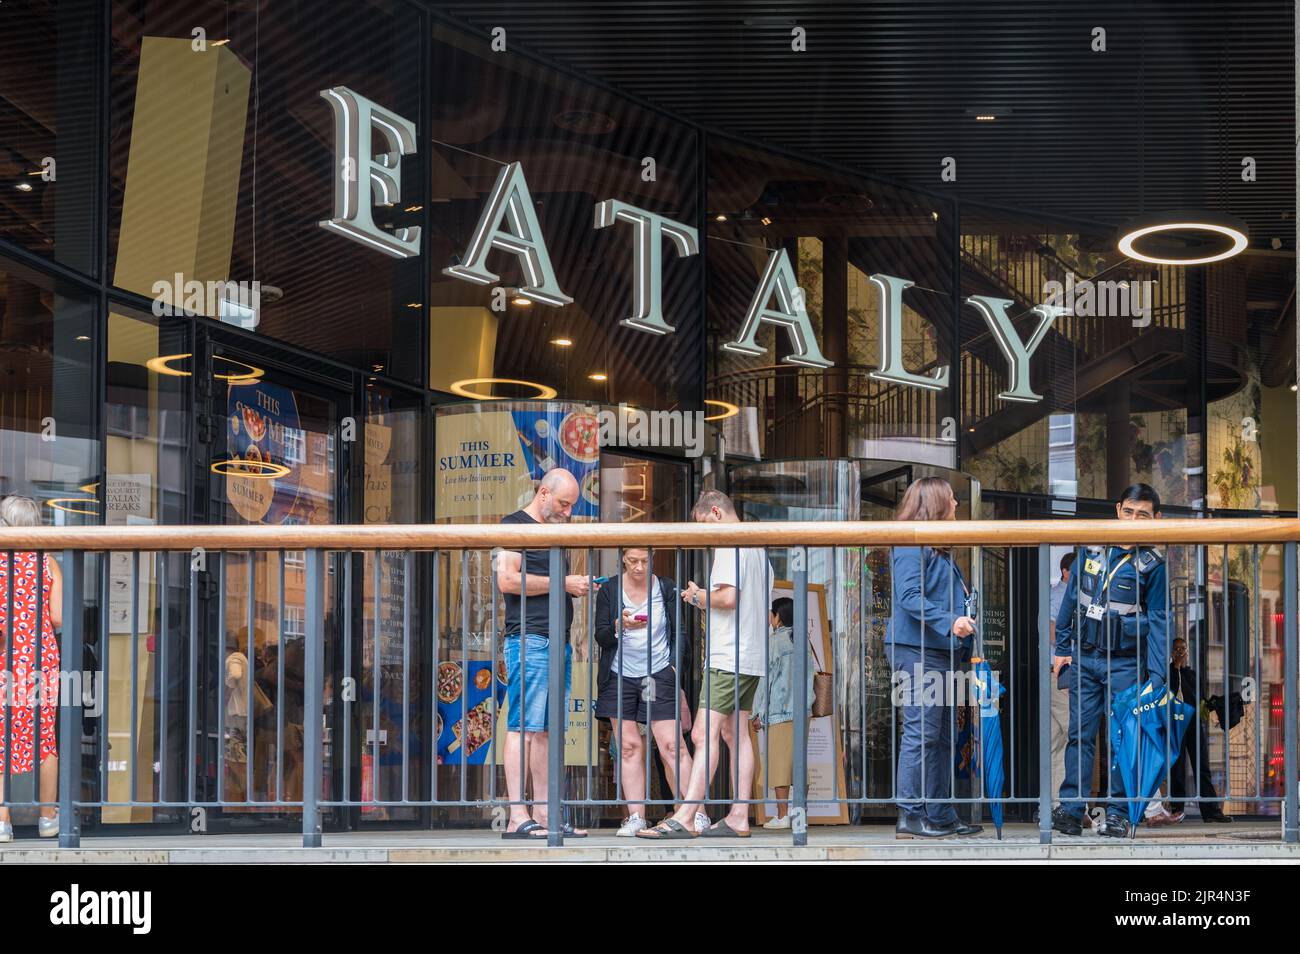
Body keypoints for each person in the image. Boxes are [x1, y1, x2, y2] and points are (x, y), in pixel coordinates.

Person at [638, 489, 772, 839]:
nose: (704, 536)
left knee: (702, 733)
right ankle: (739, 815)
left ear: (715, 513)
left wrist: (697, 596)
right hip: (752, 655)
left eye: (702, 526)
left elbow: (728, 598)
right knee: (735, 734)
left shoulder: (729, 543)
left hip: (729, 655)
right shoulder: (759, 549)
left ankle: (685, 815)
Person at [1052, 483, 1169, 838]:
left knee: (1122, 740)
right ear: (1119, 509)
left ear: (1156, 519)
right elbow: (1070, 603)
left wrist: (1158, 674)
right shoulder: (1091, 548)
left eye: (1143, 514)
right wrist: (1061, 650)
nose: (1134, 519)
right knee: (1079, 736)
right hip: (1085, 658)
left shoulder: (1153, 565)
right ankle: (1072, 810)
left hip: (1126, 664)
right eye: (1129, 511)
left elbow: (1161, 619)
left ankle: (1117, 813)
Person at [495, 469, 594, 839]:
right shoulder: (512, 524)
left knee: (548, 732)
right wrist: (564, 584)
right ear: (543, 493)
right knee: (523, 726)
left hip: (557, 641)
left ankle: (546, 815)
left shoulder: (554, 530)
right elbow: (506, 580)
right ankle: (518, 817)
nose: (568, 513)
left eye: (571, 506)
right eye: (564, 504)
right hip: (529, 639)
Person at [888, 477, 983, 839]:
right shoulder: (911, 543)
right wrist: (951, 621)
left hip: (939, 652)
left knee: (941, 737)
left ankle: (939, 812)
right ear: (937, 504)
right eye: (953, 499)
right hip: (917, 651)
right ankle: (910, 815)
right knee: (921, 734)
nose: (957, 504)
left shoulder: (937, 549)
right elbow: (909, 597)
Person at [593, 546, 694, 836]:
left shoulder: (666, 587)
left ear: (652, 557)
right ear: (623, 559)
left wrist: (674, 668)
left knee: (672, 745)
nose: (639, 567)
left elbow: (679, 632)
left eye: (644, 560)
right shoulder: (611, 589)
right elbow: (600, 635)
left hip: (655, 674)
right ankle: (636, 816)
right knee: (628, 747)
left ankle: (693, 811)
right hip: (619, 675)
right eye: (633, 561)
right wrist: (617, 626)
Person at [0, 495, 63, 841]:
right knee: (44, 738)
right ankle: (48, 819)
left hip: (3, 657)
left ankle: (2, 821)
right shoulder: (48, 563)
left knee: (0, 737)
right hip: (39, 660)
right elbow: (57, 618)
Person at [751, 597, 814, 829]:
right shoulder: (802, 641)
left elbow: (766, 681)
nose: (770, 618)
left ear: (778, 617)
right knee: (798, 764)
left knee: (778, 765)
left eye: (772, 614)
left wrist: (757, 712)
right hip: (802, 712)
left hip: (780, 712)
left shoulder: (775, 642)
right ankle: (800, 814)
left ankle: (782, 815)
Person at [1165, 636, 1233, 823]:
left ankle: (1211, 811)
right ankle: (1176, 809)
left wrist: (1214, 708)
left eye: (1183, 649)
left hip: (1194, 724)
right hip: (1175, 725)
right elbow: (1170, 693)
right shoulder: (1167, 674)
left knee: (1202, 767)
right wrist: (1176, 669)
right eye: (1177, 649)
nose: (1181, 652)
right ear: (1171, 653)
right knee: (1176, 768)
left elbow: (1200, 700)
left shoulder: (1193, 675)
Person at [1047, 552, 1074, 815]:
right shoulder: (1061, 596)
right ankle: (1075, 807)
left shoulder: (1058, 595)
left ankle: (1058, 805)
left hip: (1054, 672)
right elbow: (1054, 634)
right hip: (1060, 672)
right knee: (1077, 734)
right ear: (1066, 572)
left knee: (1058, 743)